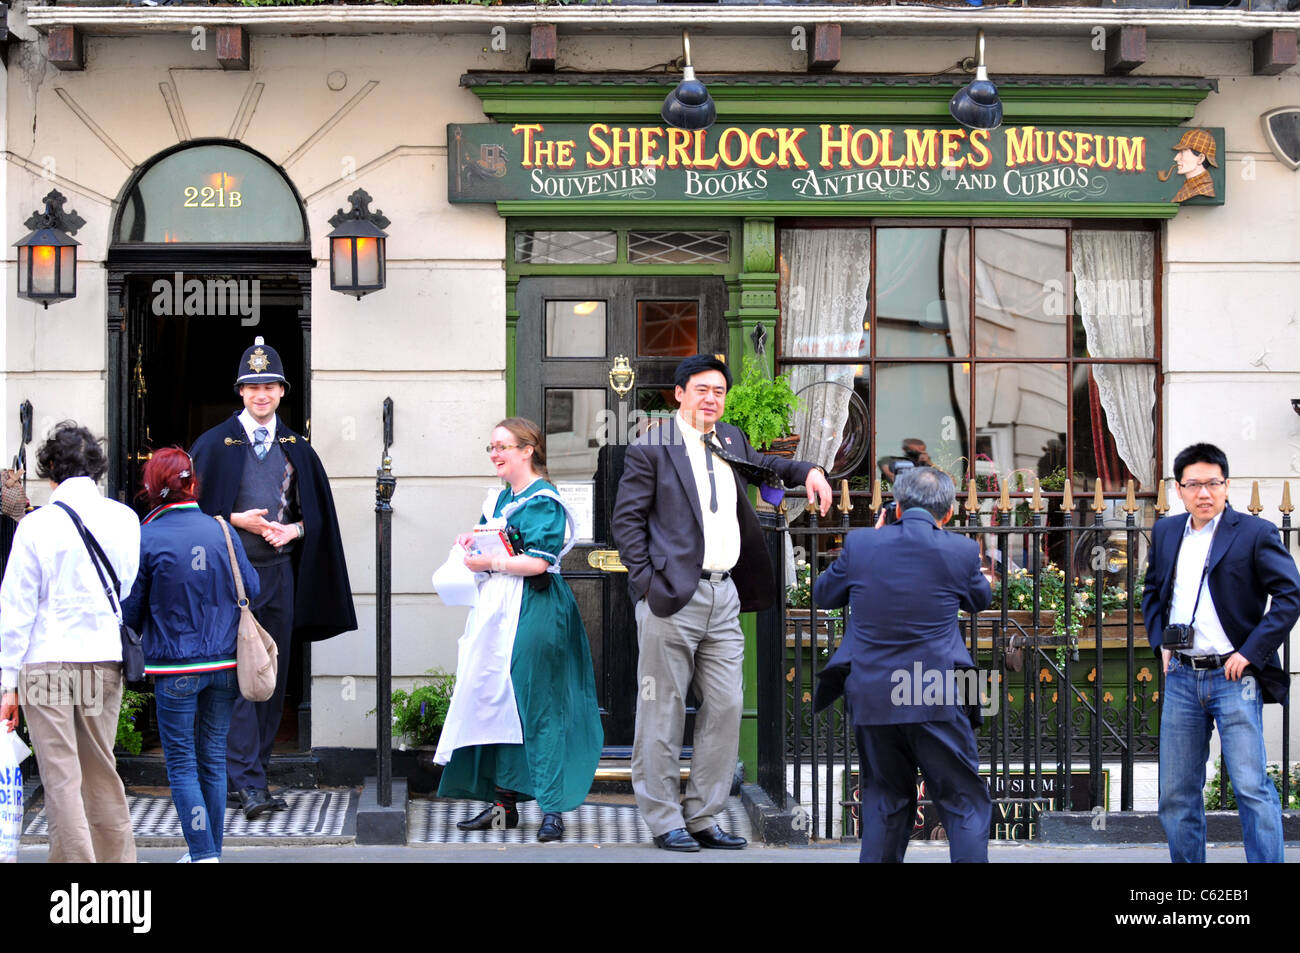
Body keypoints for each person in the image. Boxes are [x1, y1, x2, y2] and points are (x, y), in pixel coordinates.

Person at [611, 354, 832, 852]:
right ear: (679, 394)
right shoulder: (653, 446)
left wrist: (809, 469)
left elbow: (766, 466)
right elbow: (626, 523)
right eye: (702, 390)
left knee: (727, 704)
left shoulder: (729, 437)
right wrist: (649, 583)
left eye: (719, 391)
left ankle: (704, 816)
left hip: (724, 594)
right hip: (672, 597)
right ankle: (664, 819)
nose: (712, 398)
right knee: (661, 708)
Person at [190, 336, 356, 820]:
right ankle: (243, 780)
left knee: (270, 679)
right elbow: (189, 517)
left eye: (269, 386)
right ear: (240, 392)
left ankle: (251, 777)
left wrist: (294, 529)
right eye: (251, 386)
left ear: (282, 391)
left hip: (278, 575)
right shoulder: (213, 445)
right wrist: (233, 520)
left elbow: (318, 518)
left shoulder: (296, 449)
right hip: (229, 580)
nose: (260, 394)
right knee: (234, 678)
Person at [812, 466, 993, 863]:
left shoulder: (862, 546)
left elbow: (823, 594)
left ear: (895, 506)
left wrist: (874, 542)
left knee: (884, 799)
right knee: (962, 800)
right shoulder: (960, 550)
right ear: (947, 512)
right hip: (936, 691)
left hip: (874, 693)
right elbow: (981, 600)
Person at [435, 417, 603, 843]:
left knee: (540, 704)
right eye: (490, 448)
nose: (494, 455)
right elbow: (488, 542)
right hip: (498, 609)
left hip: (536, 608)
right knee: (496, 698)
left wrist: (488, 561)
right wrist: (470, 542)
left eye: (501, 447)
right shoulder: (501, 499)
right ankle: (502, 806)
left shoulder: (543, 500)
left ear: (527, 450)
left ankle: (553, 809)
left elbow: (539, 562)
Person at [1141, 442, 1299, 863]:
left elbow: (1288, 596)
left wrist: (1250, 652)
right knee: (1176, 793)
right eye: (1194, 484)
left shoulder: (1254, 533)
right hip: (1181, 678)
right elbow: (1152, 591)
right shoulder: (1166, 531)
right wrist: (1161, 644)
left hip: (1234, 678)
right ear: (1180, 489)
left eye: (1213, 483)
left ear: (1227, 486)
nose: (1204, 493)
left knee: (1251, 787)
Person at [0, 422, 140, 863]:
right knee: (102, 771)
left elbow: (16, 608)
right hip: (102, 658)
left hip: (46, 663)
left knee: (61, 778)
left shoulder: (36, 526)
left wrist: (7, 682)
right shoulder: (125, 518)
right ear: (95, 469)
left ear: (50, 472)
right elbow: (126, 587)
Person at [121, 449, 260, 863]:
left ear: (151, 489)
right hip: (225, 665)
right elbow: (251, 586)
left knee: (182, 764)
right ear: (193, 484)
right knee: (213, 758)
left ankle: (202, 854)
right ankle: (209, 853)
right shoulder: (222, 528)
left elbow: (130, 612)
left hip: (174, 667)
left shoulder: (146, 537)